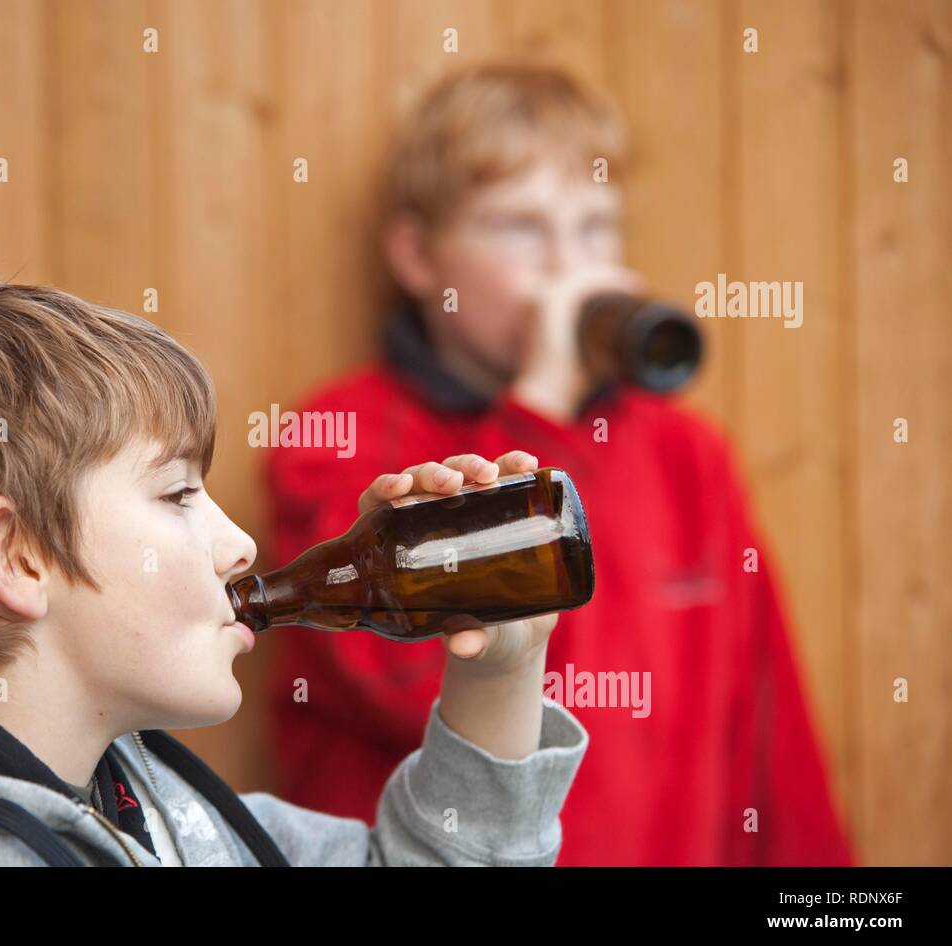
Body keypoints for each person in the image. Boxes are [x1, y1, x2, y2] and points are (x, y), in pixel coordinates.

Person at [0, 275, 588, 866]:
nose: (242, 545)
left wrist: (496, 669)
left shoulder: (145, 797)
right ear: (20, 557)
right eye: (178, 497)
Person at [264, 64, 854, 866]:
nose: (567, 270)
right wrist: (540, 408)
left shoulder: (688, 455)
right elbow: (399, 684)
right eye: (519, 227)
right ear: (416, 256)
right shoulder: (340, 438)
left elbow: (768, 737)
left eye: (594, 227)